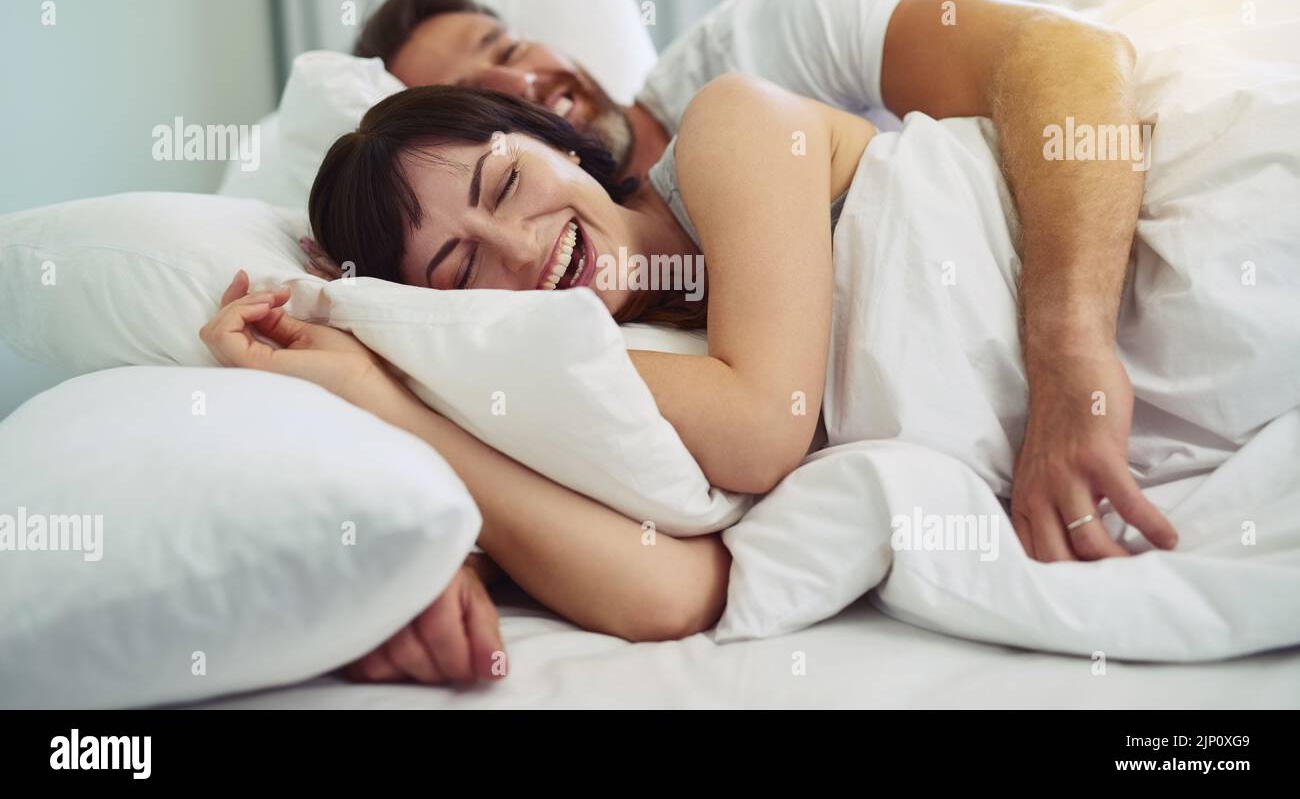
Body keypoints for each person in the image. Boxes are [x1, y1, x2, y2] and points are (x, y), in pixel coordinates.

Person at [203, 69, 1177, 687]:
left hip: (1171, 238)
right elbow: (672, 596)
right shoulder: (627, 378)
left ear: (553, 135)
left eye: (504, 185)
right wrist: (390, 402)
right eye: (459, 275)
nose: (518, 249)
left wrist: (429, 367)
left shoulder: (730, 127)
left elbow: (765, 424)